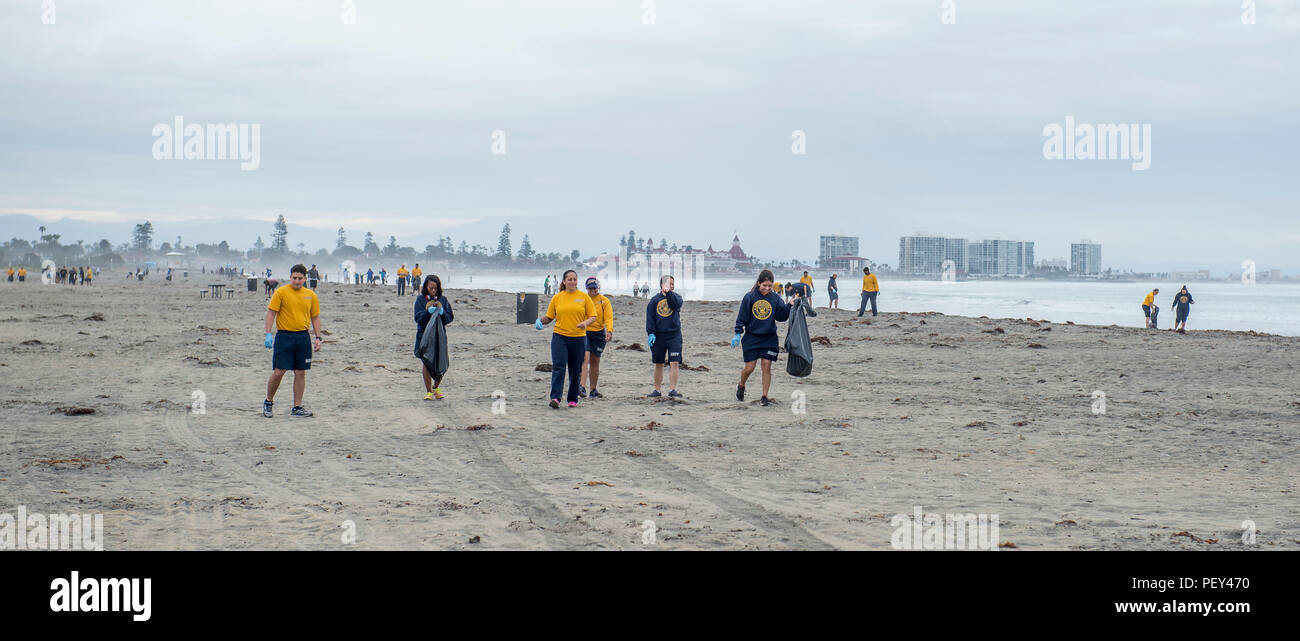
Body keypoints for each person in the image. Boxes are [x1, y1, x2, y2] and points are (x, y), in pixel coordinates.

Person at [263, 264, 323, 418]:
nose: (297, 281)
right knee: (279, 372)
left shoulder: (311, 295)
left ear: (305, 278)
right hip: (284, 336)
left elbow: (315, 317)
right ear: (290, 277)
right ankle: (268, 402)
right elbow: (271, 313)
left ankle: (297, 407)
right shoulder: (281, 292)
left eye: (300, 278)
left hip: (303, 337)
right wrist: (268, 334)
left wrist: (317, 337)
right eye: (294, 278)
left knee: (300, 372)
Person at [535, 270, 596, 408]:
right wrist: (540, 321)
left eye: (574, 279)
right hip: (560, 337)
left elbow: (593, 316)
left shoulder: (583, 297)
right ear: (564, 281)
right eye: (569, 279)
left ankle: (572, 398)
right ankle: (555, 398)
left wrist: (585, 323)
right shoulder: (557, 298)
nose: (572, 282)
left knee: (575, 369)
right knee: (559, 366)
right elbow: (549, 317)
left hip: (578, 338)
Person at [732, 269, 792, 406]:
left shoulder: (775, 298)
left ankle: (764, 396)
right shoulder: (750, 297)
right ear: (759, 283)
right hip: (752, 337)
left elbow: (781, 316)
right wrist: (737, 333)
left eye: (770, 286)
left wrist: (789, 305)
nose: (767, 288)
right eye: (764, 285)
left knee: (766, 365)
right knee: (750, 368)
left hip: (769, 338)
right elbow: (742, 317)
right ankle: (741, 385)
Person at [414, 274, 453, 400]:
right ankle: (428, 391)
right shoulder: (420, 300)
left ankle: (436, 387)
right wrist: (427, 312)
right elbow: (417, 318)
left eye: (436, 288)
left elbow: (449, 317)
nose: (433, 290)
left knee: (442, 362)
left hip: (439, 337)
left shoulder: (443, 300)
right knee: (426, 361)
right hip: (424, 336)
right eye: (431, 288)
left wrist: (442, 313)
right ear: (426, 286)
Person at [645, 275, 684, 398]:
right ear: (661, 285)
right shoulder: (654, 300)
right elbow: (650, 318)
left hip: (674, 335)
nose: (670, 286)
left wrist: (669, 294)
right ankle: (657, 390)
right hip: (659, 336)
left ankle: (673, 390)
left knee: (674, 362)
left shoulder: (677, 297)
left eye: (672, 284)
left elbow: (675, 305)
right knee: (659, 363)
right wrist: (651, 333)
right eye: (667, 284)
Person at [579, 277, 613, 399]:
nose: (593, 290)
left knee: (595, 361)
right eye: (590, 288)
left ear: (598, 287)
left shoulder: (604, 301)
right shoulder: (583, 299)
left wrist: (609, 331)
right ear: (587, 288)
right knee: (585, 358)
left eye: (594, 287)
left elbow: (608, 317)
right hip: (585, 332)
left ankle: (593, 389)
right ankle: (581, 386)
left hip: (599, 334)